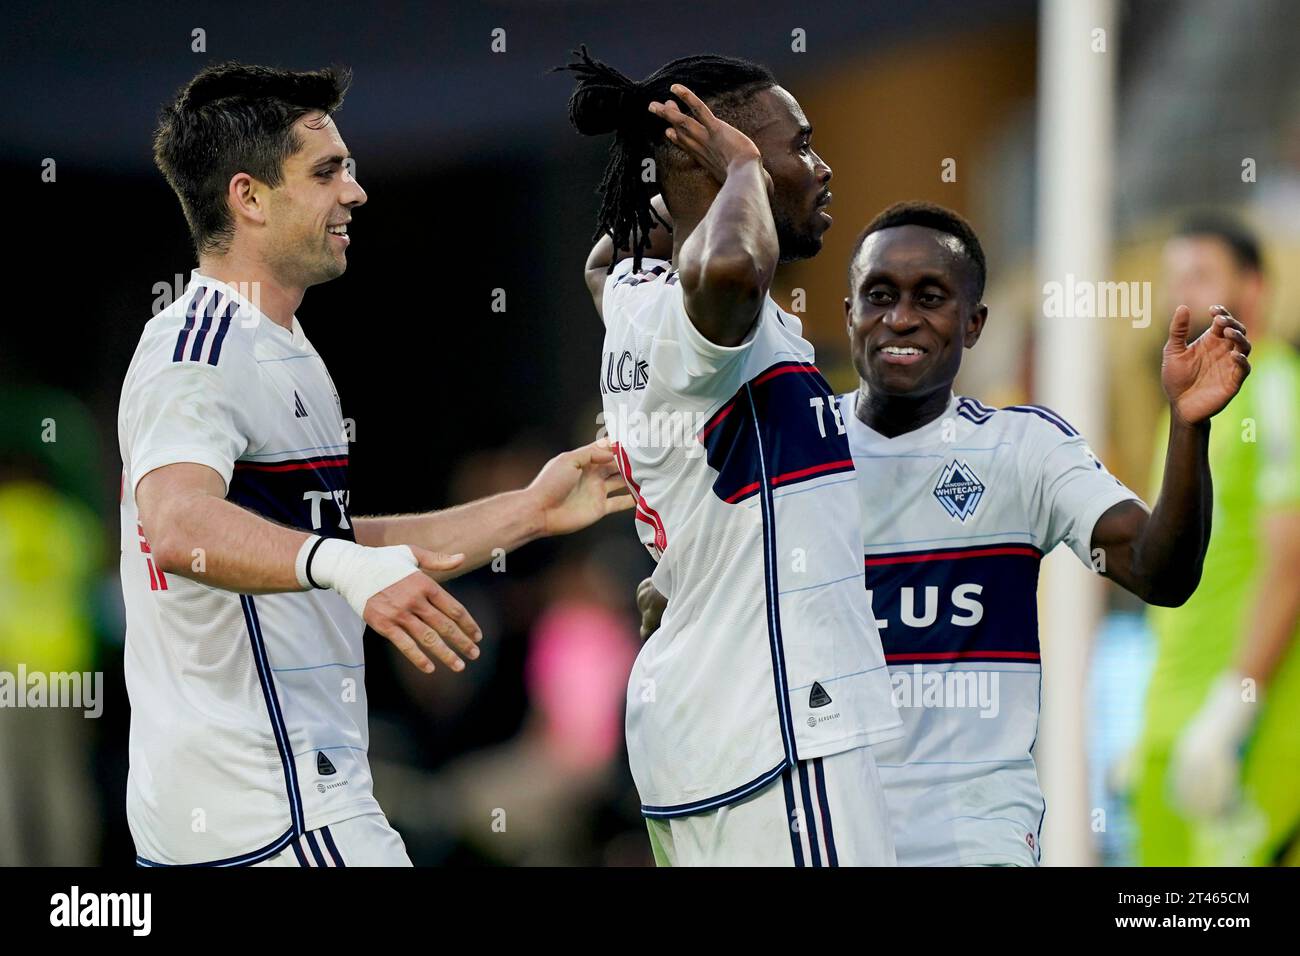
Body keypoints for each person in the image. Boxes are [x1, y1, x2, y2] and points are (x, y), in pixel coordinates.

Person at [121, 62, 631, 867]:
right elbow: (178, 527)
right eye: (327, 171)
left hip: (298, 799)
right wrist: (346, 567)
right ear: (248, 197)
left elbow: (319, 541)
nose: (355, 193)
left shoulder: (285, 348)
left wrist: (532, 510)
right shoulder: (199, 349)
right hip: (265, 810)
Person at [639, 201, 1252, 865]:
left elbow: (1161, 573)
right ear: (849, 314)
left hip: (974, 837)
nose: (900, 318)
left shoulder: (1026, 452)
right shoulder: (794, 451)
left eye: (929, 297)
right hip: (822, 831)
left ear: (974, 322)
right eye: (879, 296)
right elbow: (680, 598)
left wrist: (1190, 427)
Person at [560, 48, 901, 866]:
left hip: (722, 730)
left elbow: (609, 265)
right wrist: (741, 167)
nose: (820, 168)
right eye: (801, 145)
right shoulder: (695, 309)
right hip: (780, 732)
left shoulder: (637, 307)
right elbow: (732, 269)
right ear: (716, 156)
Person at [1134, 215, 1300, 866]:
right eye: (1173, 278)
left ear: (1252, 290)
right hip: (1167, 724)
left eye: (1201, 275)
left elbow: (1290, 561)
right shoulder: (1185, 409)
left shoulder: (1278, 390)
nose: (1183, 295)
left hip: (1251, 733)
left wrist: (1232, 711)